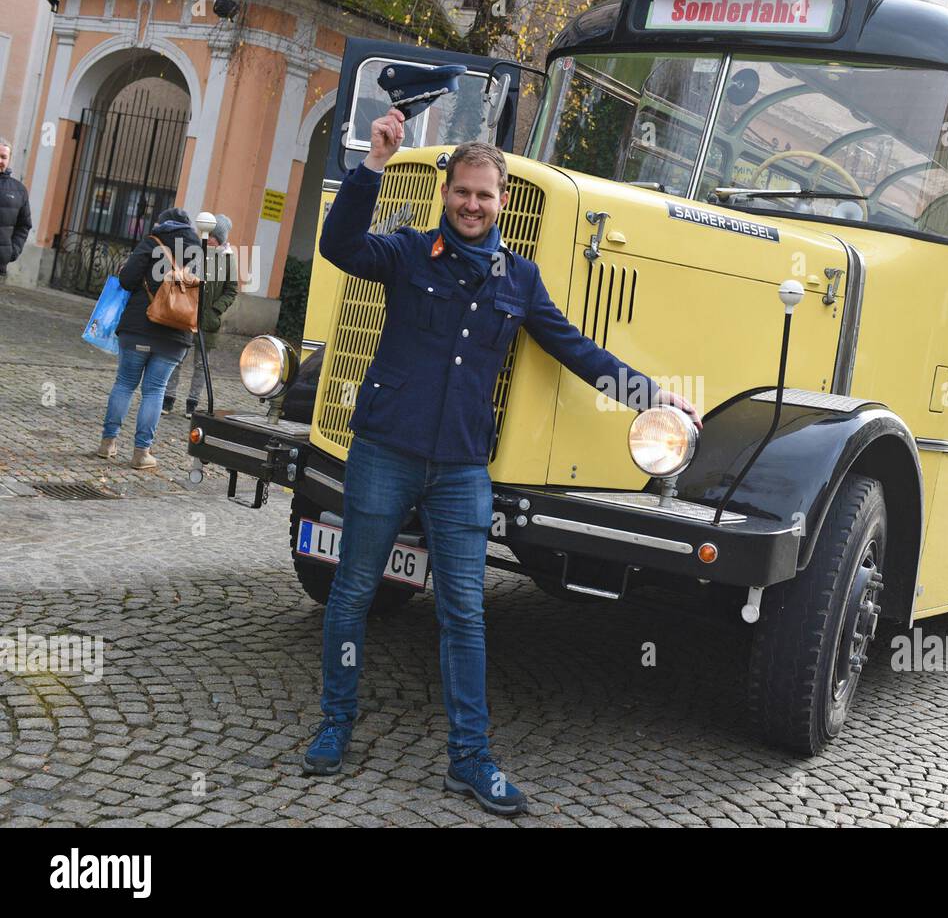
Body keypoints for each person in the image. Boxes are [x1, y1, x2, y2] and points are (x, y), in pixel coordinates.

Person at [306, 110, 699, 817]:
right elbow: (339, 245)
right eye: (462, 191)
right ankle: (336, 724)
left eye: (485, 195)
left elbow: (576, 348)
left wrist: (654, 397)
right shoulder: (402, 252)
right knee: (354, 591)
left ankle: (471, 757)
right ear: (447, 193)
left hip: (461, 467)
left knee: (464, 612)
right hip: (384, 451)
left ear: (502, 201)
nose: (472, 204)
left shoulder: (518, 277)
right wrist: (373, 163)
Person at [97, 208, 201, 468]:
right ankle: (141, 453)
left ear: (163, 224)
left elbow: (128, 280)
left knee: (124, 384)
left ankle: (108, 443)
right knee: (155, 391)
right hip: (175, 334)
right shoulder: (198, 251)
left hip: (138, 327)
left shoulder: (151, 242)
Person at [163, 214, 238, 417]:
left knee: (200, 365)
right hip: (187, 315)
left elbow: (231, 291)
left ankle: (192, 402)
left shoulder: (228, 260)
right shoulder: (195, 252)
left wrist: (215, 310)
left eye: (215, 236)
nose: (210, 239)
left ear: (221, 239)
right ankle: (168, 398)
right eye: (209, 235)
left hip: (208, 322)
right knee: (177, 358)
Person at [0, 137, 32, 279]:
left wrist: (12, 251)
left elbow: (24, 225)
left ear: (9, 159)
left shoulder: (19, 191)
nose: (0, 160)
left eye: (3, 157)